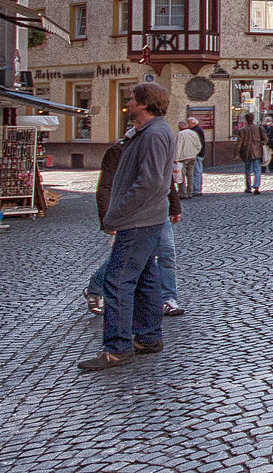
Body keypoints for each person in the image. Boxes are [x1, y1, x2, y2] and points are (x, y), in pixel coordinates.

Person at [79, 83, 177, 370]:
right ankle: (147, 336)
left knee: (118, 281)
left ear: (145, 104)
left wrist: (118, 212)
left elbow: (151, 181)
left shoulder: (155, 133)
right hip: (144, 218)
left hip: (138, 219)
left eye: (132, 99)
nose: (128, 103)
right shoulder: (147, 132)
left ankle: (117, 347)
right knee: (146, 278)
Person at [87, 125, 183, 316]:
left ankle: (167, 298)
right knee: (128, 254)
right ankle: (97, 286)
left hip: (158, 209)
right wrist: (107, 217)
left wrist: (174, 206)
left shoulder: (156, 146)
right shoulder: (117, 151)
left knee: (166, 253)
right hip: (131, 211)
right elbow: (106, 185)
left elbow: (165, 180)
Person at [175, 118, 203, 198]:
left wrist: (176, 159)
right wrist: (194, 153)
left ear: (180, 127)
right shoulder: (193, 133)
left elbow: (178, 147)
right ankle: (190, 192)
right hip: (192, 157)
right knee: (190, 175)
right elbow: (199, 146)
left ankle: (183, 193)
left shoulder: (180, 134)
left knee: (181, 176)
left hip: (182, 158)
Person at [235, 118, 263, 194]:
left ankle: (248, 187)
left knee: (248, 170)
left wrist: (236, 153)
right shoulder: (259, 128)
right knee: (257, 170)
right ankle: (256, 186)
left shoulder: (242, 130)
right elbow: (265, 139)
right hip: (257, 152)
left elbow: (239, 143)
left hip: (246, 153)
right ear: (253, 119)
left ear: (246, 120)